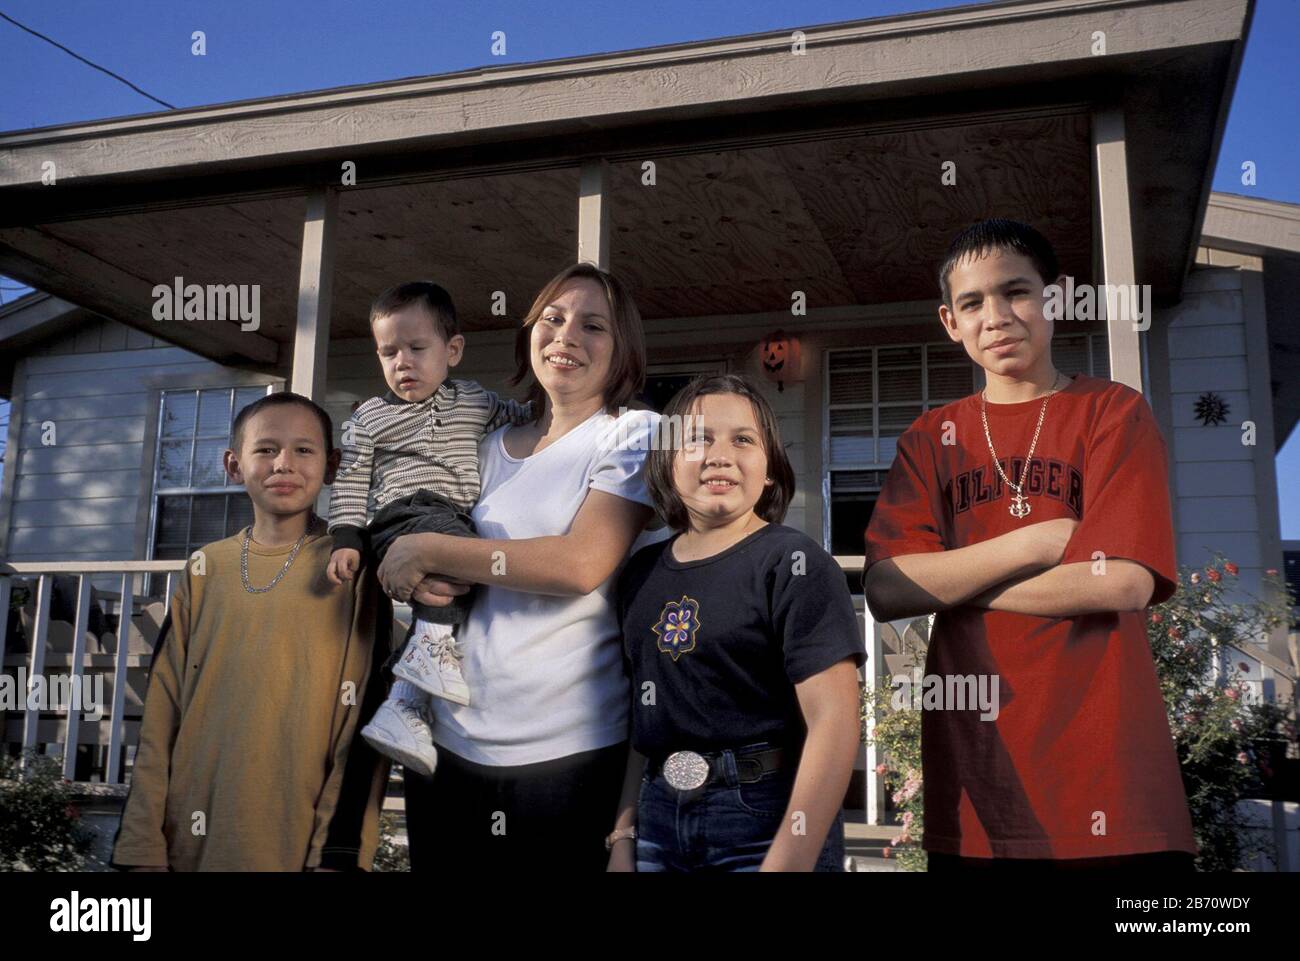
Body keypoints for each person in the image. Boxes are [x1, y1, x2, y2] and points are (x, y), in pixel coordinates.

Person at [863, 218, 1197, 871]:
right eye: (971, 302)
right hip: (980, 787)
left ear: (1055, 297)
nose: (996, 316)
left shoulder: (1113, 413)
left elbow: (1121, 580)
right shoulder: (931, 439)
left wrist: (954, 582)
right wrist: (1036, 542)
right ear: (949, 321)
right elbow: (886, 587)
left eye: (1015, 292)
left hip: (1112, 788)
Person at [375, 263, 659, 871]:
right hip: (450, 746)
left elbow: (582, 563)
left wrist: (429, 551)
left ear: (624, 347)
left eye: (593, 326)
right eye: (551, 319)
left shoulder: (633, 434)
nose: (566, 336)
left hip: (566, 754)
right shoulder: (485, 443)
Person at [111, 393, 391, 871]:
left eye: (304, 450)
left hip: (296, 840)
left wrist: (338, 851)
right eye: (265, 449)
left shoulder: (354, 570)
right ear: (234, 464)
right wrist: (142, 844)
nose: (284, 463)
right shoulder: (204, 569)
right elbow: (161, 711)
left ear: (333, 465)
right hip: (186, 839)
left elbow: (364, 724)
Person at [608, 375, 863, 872]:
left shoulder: (793, 562)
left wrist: (789, 859)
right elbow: (642, 721)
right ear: (668, 462)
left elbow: (834, 724)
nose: (720, 456)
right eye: (699, 439)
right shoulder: (639, 573)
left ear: (769, 468)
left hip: (765, 818)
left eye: (743, 440)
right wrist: (623, 834)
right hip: (659, 818)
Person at [325, 281, 530, 777]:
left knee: (451, 583)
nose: (402, 363)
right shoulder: (371, 416)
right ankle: (428, 658)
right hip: (403, 515)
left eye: (417, 348)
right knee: (461, 554)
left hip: (453, 518)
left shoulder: (476, 402)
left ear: (452, 350)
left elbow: (527, 420)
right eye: (388, 352)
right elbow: (350, 479)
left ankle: (405, 704)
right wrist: (347, 536)